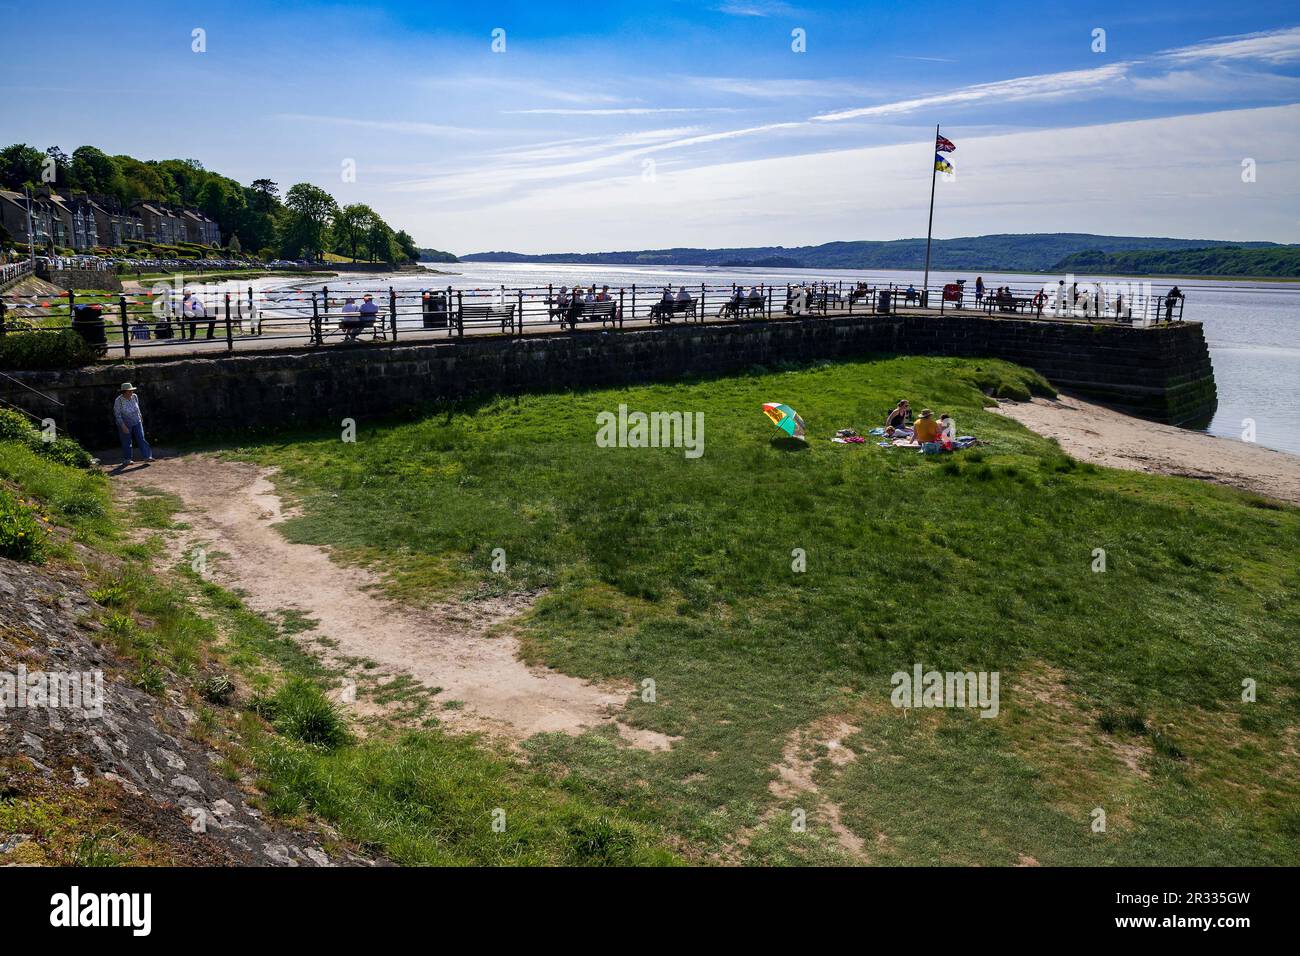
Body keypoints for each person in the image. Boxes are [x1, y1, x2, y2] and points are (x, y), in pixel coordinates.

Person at [113, 383, 153, 466]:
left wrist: (140, 416)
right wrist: (123, 426)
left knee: (141, 438)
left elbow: (137, 407)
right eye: (130, 391)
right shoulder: (118, 400)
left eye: (132, 390)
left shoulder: (134, 396)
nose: (132, 392)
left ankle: (147, 457)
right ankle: (127, 459)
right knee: (126, 441)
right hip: (125, 423)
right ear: (124, 392)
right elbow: (117, 414)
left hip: (136, 421)